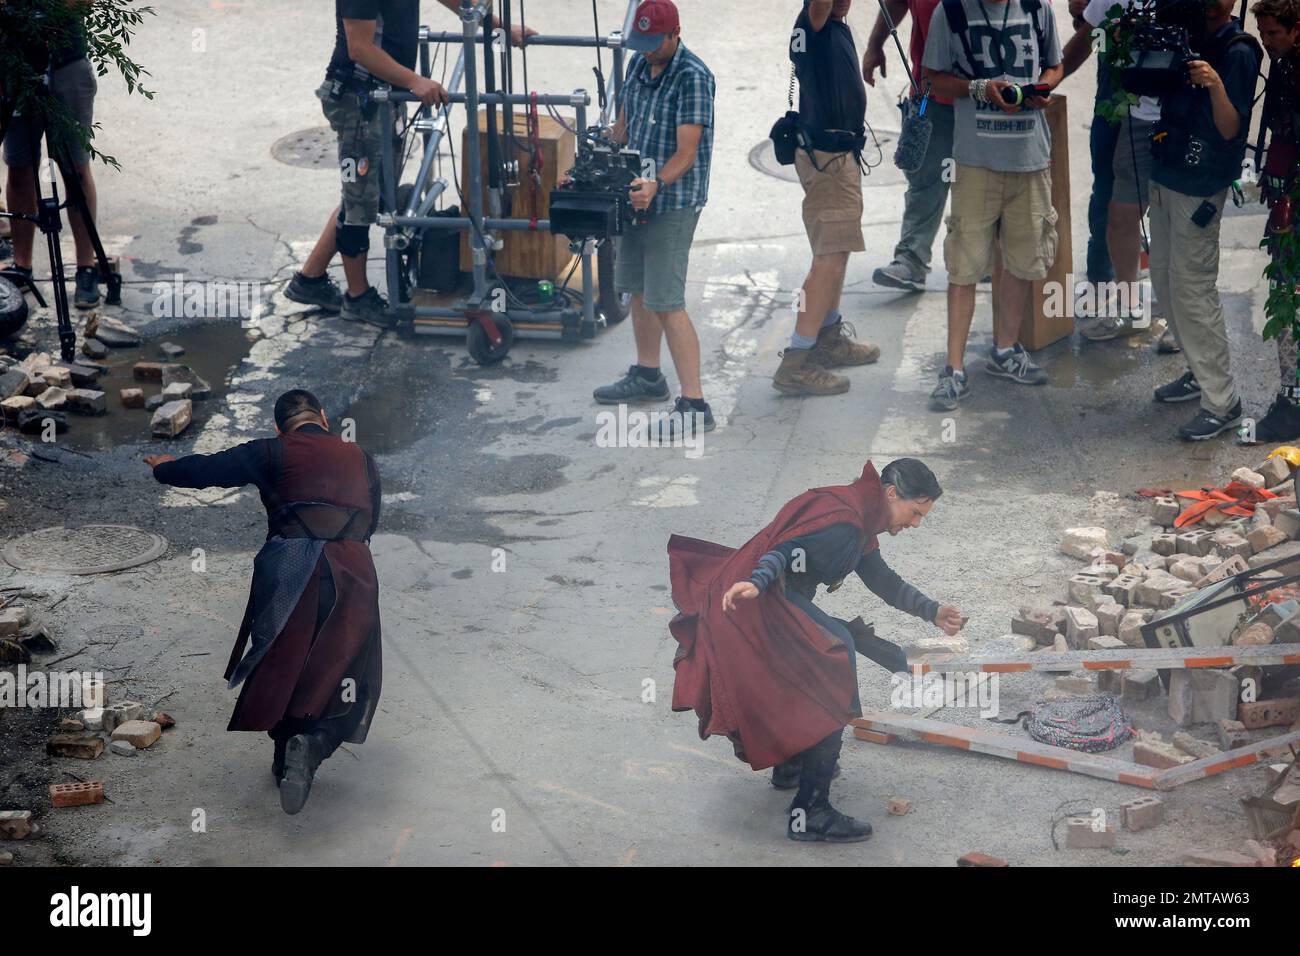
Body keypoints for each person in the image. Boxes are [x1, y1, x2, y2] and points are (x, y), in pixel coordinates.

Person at [667, 458, 961, 842]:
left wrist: (932, 611)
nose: (915, 523)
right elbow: (783, 552)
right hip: (751, 604)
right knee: (831, 676)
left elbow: (881, 579)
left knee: (800, 676)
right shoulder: (843, 523)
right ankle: (811, 812)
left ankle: (791, 764)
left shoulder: (860, 513)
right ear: (891, 494)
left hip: (764, 601)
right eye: (915, 512)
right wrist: (757, 583)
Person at [145, 389, 383, 815]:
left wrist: (165, 470)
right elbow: (372, 519)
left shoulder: (271, 451)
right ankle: (311, 745)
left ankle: (286, 758)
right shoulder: (361, 455)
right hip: (354, 572)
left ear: (278, 426)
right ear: (323, 417)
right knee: (351, 669)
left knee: (282, 665)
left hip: (290, 569)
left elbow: (209, 469)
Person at [284, 0, 534, 326]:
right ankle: (357, 298)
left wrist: (496, 26)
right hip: (359, 100)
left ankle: (310, 280)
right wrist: (414, 80)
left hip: (385, 96)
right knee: (361, 203)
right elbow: (359, 48)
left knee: (369, 195)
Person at [921, 0, 1064, 411]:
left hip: (1030, 159)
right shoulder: (950, 12)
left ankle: (1005, 351)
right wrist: (978, 88)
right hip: (975, 161)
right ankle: (954, 370)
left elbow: (1054, 65)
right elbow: (931, 78)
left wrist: (1043, 88)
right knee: (964, 265)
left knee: (1023, 259)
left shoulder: (1038, 9)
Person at [591, 0, 717, 435]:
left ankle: (696, 404)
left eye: (652, 43)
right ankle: (648, 375)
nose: (645, 51)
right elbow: (622, 130)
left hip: (673, 201)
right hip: (634, 198)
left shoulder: (692, 77)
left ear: (674, 34)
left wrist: (656, 185)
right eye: (639, 43)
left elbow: (687, 151)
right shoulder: (638, 68)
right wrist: (595, 153)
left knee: (667, 300)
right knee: (640, 290)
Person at [1147, 0, 1262, 441]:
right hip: (1166, 169)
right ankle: (1198, 371)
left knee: (1193, 289)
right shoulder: (1183, 28)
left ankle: (1223, 402)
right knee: (1164, 279)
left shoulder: (1238, 50)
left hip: (1200, 185)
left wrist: (1214, 84)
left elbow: (1232, 128)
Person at [772, 0, 882, 397]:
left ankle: (829, 335)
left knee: (837, 253)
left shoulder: (831, 24)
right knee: (828, 261)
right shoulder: (815, 21)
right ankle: (797, 363)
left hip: (838, 155)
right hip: (828, 160)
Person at [1060, 0, 1161, 340]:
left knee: (1176, 214)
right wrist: (1042, 82)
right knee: (1112, 201)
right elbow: (1086, 37)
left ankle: (1180, 317)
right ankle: (1110, 291)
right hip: (1120, 103)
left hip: (1181, 111)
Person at [3, 0, 103, 309]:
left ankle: (86, 268)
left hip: (67, 64)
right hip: (15, 68)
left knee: (74, 169)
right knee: (20, 170)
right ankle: (22, 267)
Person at [864, 0, 956, 293]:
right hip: (930, 93)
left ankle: (991, 258)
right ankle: (911, 258)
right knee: (926, 178)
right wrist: (875, 43)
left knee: (990, 183)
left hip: (990, 100)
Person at [1244, 0, 1300, 442]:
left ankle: (1293, 403)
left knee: (1288, 305)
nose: (1267, 43)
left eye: (1274, 35)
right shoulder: (1284, 66)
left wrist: (1286, 198)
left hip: (1294, 208)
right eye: (1262, 35)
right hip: (1286, 199)